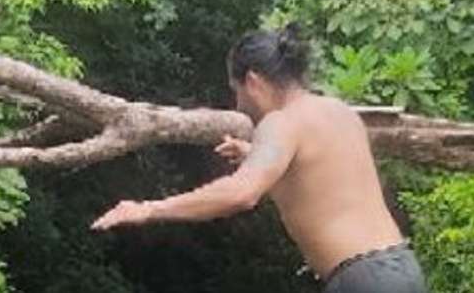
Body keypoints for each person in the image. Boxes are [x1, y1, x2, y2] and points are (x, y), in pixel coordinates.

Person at [89, 24, 428, 292]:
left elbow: (241, 193)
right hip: (401, 269)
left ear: (252, 81)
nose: (237, 104)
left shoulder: (281, 123)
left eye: (235, 90)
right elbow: (324, 176)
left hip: (363, 280)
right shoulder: (338, 112)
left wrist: (149, 209)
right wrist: (254, 155)